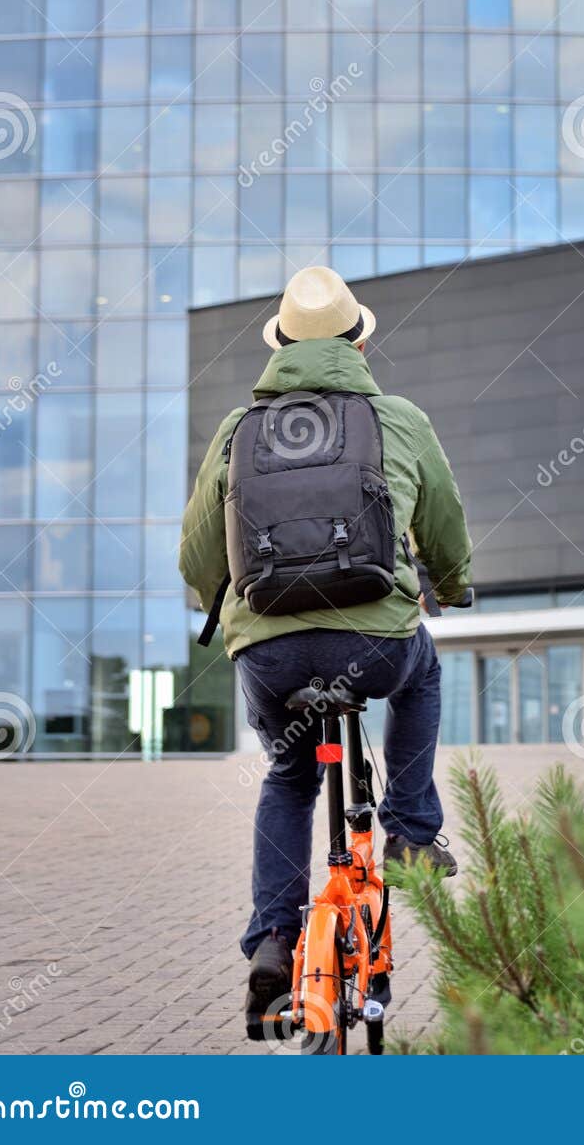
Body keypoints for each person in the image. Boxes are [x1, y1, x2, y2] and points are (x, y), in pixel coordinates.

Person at [179, 265, 472, 1016]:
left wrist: (217, 597)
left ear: (278, 349)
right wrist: (453, 583)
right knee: (423, 672)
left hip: (271, 655)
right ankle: (410, 829)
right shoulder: (398, 419)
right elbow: (442, 524)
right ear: (358, 346)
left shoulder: (238, 431)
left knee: (289, 775)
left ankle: (274, 937)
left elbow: (197, 554)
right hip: (372, 640)